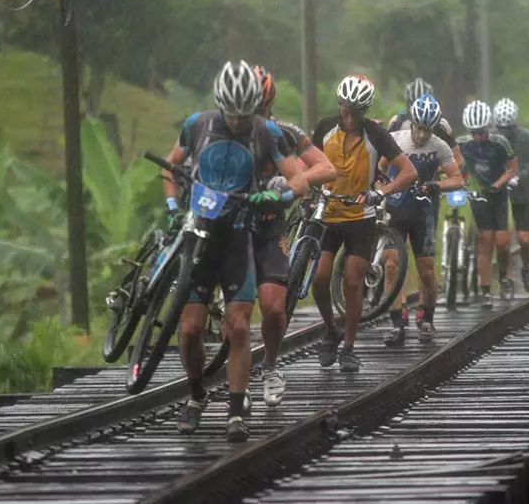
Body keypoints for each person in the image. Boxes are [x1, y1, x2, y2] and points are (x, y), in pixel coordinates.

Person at [162, 60, 309, 441]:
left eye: (246, 115)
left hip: (238, 237)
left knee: (239, 326)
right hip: (200, 235)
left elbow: (298, 179)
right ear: (220, 104)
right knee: (191, 329)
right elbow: (170, 167)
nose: (240, 122)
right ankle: (196, 395)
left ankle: (236, 408)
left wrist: (278, 192)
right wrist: (172, 208)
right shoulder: (197, 125)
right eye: (233, 115)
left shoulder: (268, 132)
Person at [310, 74, 418, 372]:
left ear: (365, 110)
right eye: (346, 109)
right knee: (319, 278)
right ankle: (331, 330)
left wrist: (379, 191)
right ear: (339, 104)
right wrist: (308, 190)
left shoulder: (376, 134)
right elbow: (307, 163)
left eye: (356, 111)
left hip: (361, 219)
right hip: (328, 214)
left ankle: (348, 347)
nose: (350, 116)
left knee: (353, 282)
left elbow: (408, 172)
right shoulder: (324, 128)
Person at [247, 65, 337, 408]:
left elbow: (324, 167)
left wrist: (294, 184)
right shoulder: (221, 131)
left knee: (272, 307)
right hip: (230, 226)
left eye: (260, 109)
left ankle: (270, 366)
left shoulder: (283, 132)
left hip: (270, 224)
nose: (254, 117)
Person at [379, 93, 463, 346]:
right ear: (412, 123)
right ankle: (396, 323)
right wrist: (383, 186)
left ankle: (427, 319)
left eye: (428, 130)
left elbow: (458, 179)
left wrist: (438, 185)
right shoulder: (396, 140)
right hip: (395, 210)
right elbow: (380, 168)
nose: (423, 135)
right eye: (419, 129)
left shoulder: (439, 146)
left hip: (423, 213)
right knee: (392, 265)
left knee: (426, 271)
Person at [456, 100, 518, 310]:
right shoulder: (462, 144)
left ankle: (505, 278)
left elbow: (512, 168)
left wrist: (498, 184)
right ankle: (485, 290)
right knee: (484, 241)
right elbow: (449, 162)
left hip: (498, 195)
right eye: (473, 133)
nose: (477, 137)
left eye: (481, 132)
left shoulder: (500, 143)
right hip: (478, 195)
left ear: (488, 128)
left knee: (502, 242)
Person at [493, 97, 529, 293]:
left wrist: (521, 177)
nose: (505, 133)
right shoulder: (492, 139)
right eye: (501, 129)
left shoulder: (527, 138)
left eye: (508, 129)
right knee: (502, 242)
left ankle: (526, 268)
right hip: (500, 193)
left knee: (524, 239)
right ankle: (503, 275)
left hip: (522, 191)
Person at [387, 78, 464, 170]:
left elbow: (458, 159)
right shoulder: (397, 122)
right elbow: (384, 157)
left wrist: (439, 170)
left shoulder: (442, 125)